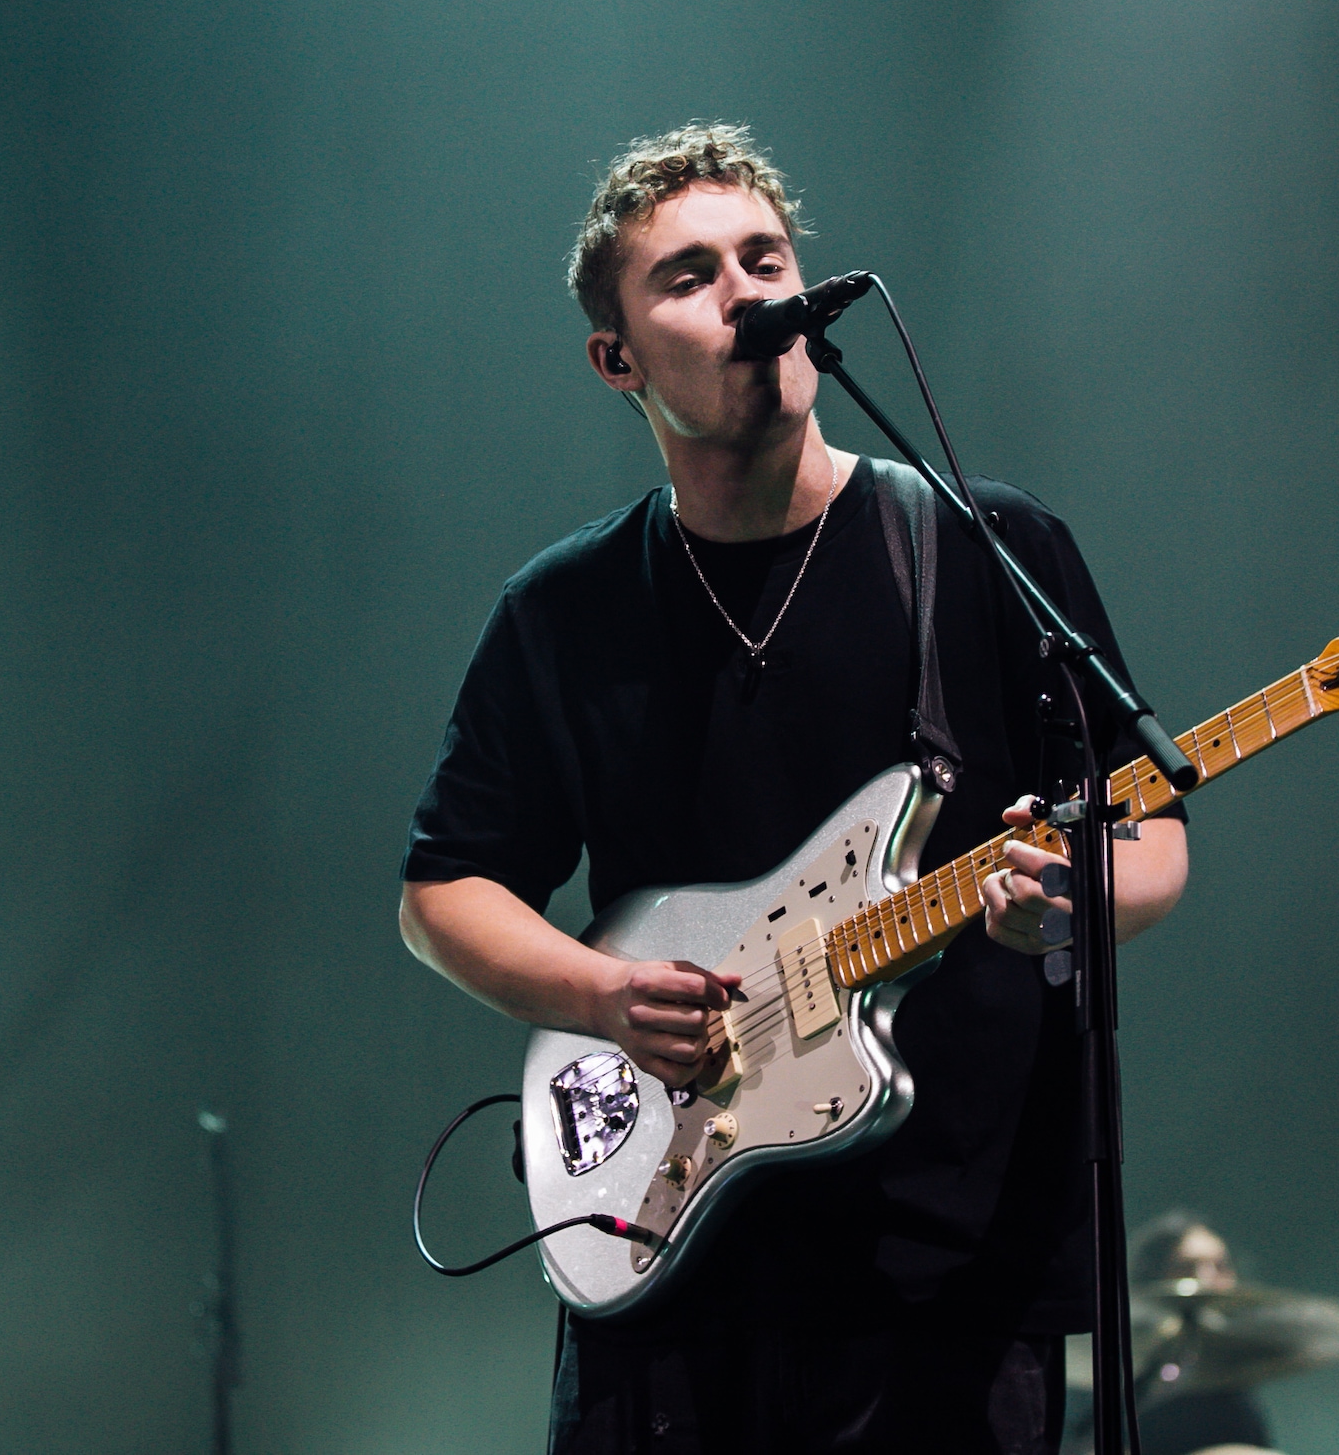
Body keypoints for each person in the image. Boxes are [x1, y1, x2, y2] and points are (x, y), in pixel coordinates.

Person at [399, 123, 1190, 1453]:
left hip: (948, 1276)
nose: (748, 293)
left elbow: (1148, 825)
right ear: (617, 359)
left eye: (766, 260)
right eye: (690, 275)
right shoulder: (564, 612)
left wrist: (1071, 900)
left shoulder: (980, 547)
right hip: (666, 1255)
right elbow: (442, 892)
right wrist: (603, 994)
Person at [1128, 1211, 1274, 1455]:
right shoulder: (1122, 1378)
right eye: (1187, 1267)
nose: (1206, 1279)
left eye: (1220, 1266)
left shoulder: (1235, 1381)